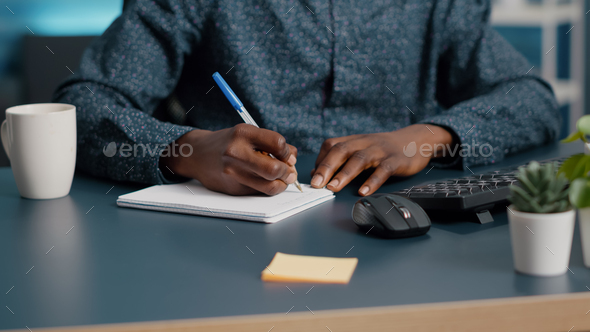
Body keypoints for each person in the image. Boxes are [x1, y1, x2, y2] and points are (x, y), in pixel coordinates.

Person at [53, 0, 560, 197]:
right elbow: (82, 108)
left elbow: (531, 99)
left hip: (400, 228)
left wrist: (427, 138)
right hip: (221, 239)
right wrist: (187, 149)